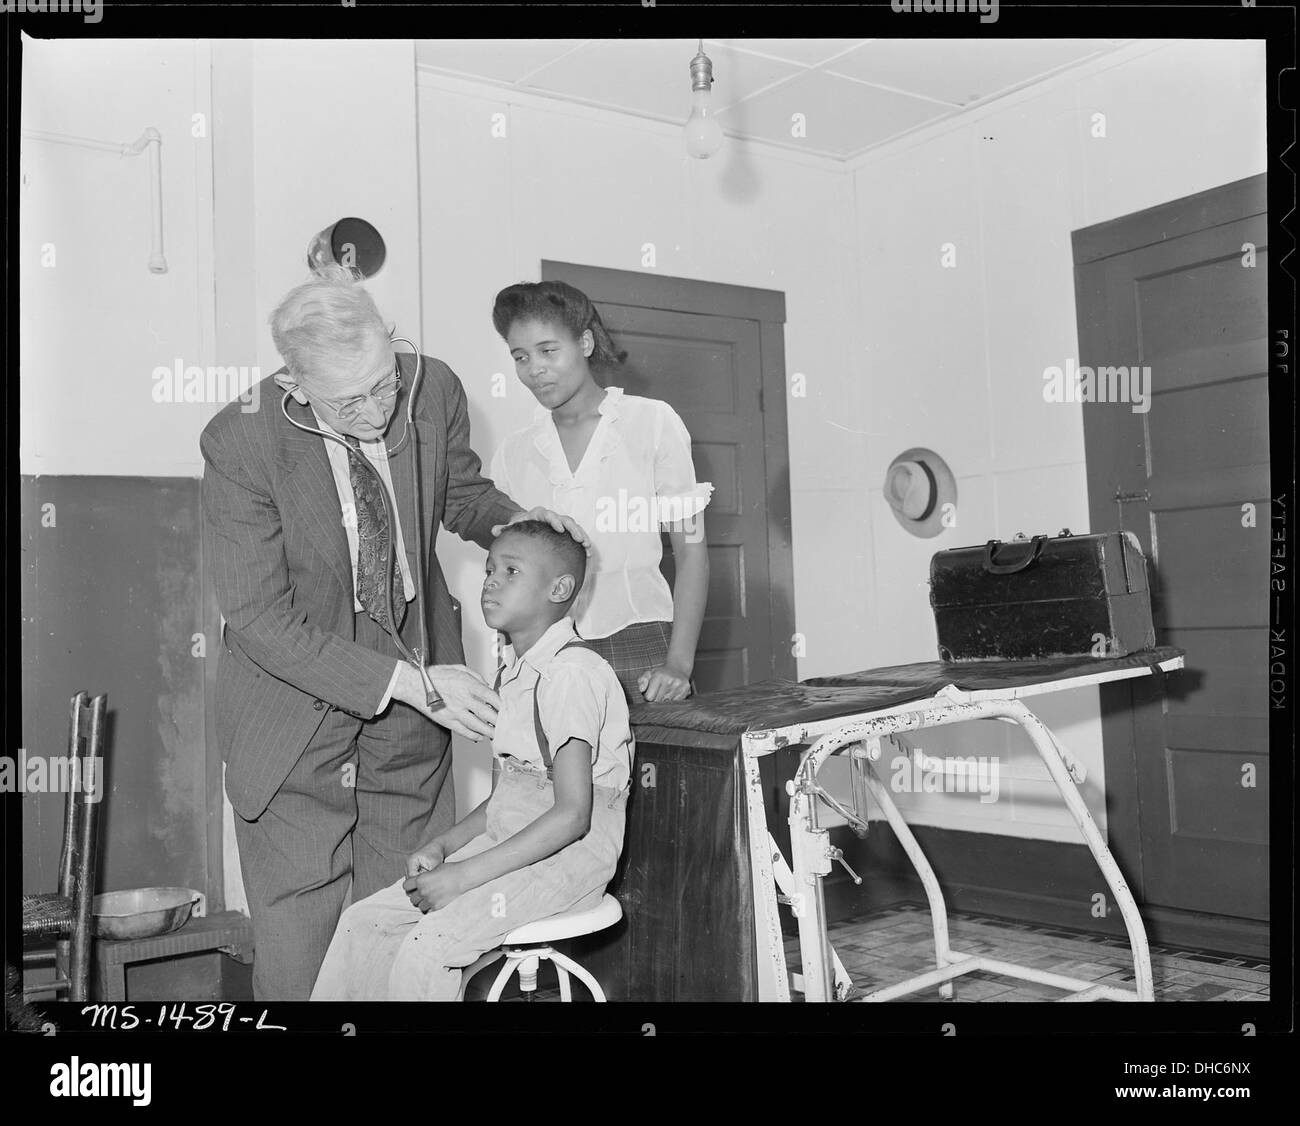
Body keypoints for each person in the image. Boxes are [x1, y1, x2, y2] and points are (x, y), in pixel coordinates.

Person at [200, 265, 588, 1000]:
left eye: (384, 382)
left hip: (415, 684)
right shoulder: (240, 440)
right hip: (293, 701)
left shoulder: (429, 386)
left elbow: (460, 492)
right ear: (294, 383)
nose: (380, 410)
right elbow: (257, 617)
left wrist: (517, 525)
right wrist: (407, 683)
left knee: (404, 911)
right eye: (350, 401)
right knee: (302, 929)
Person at [310, 520, 632, 1000]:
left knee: (432, 943)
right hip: (516, 841)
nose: (491, 582)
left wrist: (461, 877)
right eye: (489, 570)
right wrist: (443, 847)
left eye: (511, 571)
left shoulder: (571, 674)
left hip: (571, 858)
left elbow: (570, 815)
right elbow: (511, 798)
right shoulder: (514, 672)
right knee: (366, 921)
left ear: (560, 588)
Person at [489, 281, 711, 706]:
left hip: (642, 649)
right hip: (541, 652)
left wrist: (678, 663)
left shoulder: (653, 423)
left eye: (548, 350)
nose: (534, 368)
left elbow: (693, 552)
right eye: (520, 356)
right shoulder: (514, 452)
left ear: (585, 342)